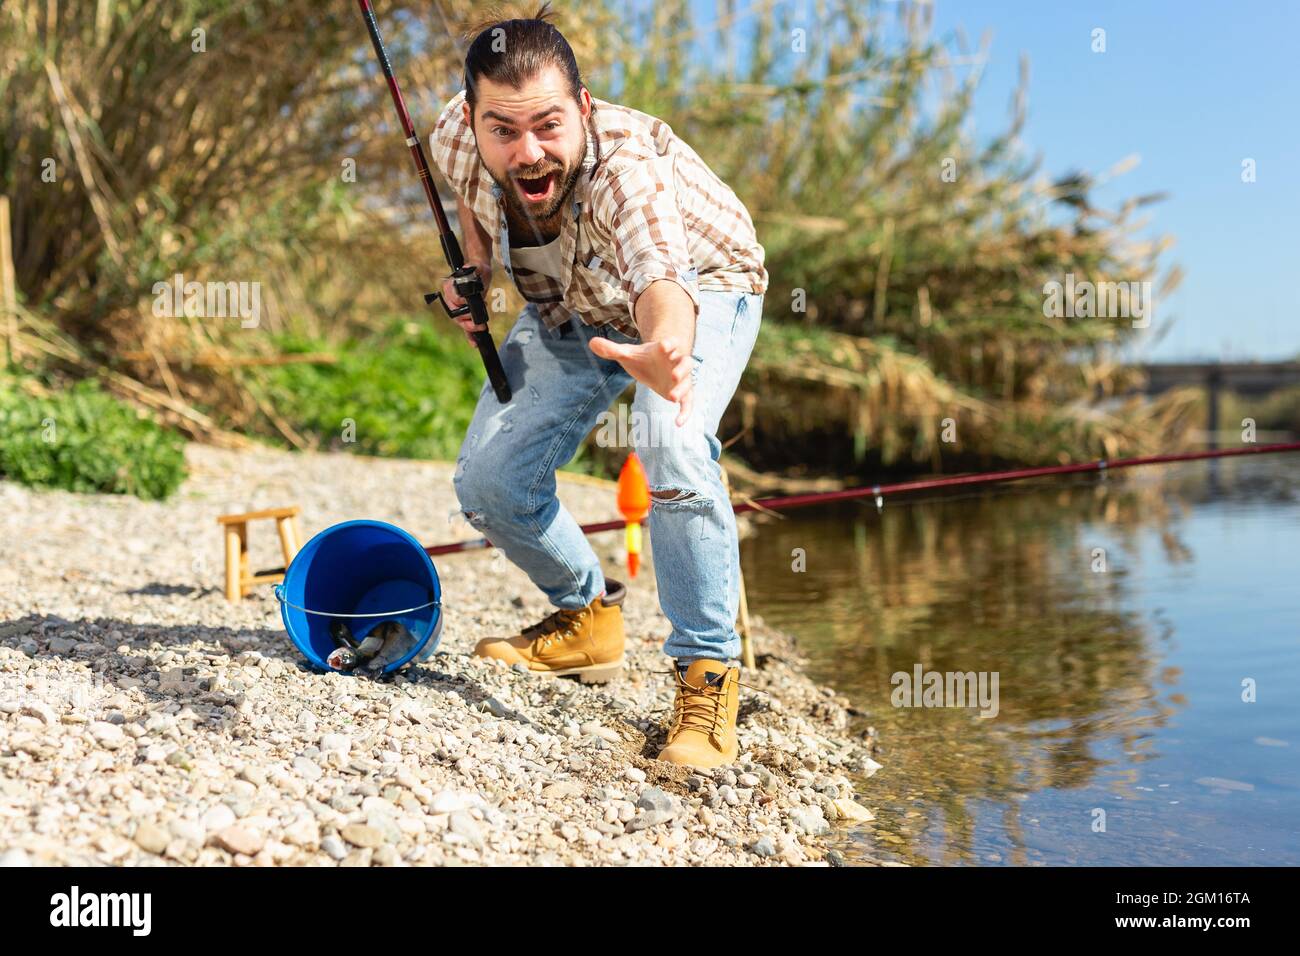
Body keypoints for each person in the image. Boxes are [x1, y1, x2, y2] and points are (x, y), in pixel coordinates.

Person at [428, 3, 766, 769]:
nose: (528, 150)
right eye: (504, 131)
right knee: (489, 480)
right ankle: (587, 619)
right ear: (475, 119)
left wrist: (666, 350)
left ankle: (706, 676)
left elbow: (661, 277)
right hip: (570, 300)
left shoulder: (628, 174)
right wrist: (474, 272)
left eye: (548, 125)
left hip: (700, 288)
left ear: (582, 107)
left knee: (670, 440)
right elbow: (472, 204)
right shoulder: (454, 133)